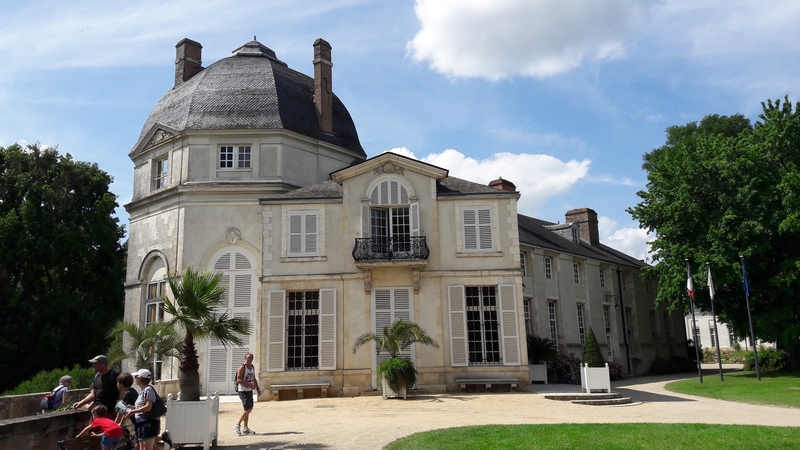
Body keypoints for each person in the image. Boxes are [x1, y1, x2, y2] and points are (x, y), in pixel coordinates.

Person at [122, 369, 160, 450]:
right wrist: (133, 407)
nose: (135, 379)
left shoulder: (148, 390)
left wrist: (133, 411)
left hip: (148, 424)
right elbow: (144, 407)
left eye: (136, 377)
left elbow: (148, 407)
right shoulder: (143, 391)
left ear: (140, 378)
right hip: (142, 424)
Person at [74, 355, 118, 419]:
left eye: (95, 363)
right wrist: (80, 403)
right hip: (96, 412)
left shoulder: (113, 375)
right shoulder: (97, 376)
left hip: (109, 412)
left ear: (103, 364)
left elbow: (121, 392)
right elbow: (93, 393)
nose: (93, 366)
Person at [234, 352, 261, 435]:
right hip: (242, 391)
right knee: (248, 409)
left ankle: (245, 428)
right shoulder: (242, 368)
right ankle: (237, 425)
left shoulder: (252, 367)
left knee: (249, 409)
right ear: (245, 358)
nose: (249, 359)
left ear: (252, 359)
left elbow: (254, 379)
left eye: (251, 358)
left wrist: (257, 388)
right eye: (248, 357)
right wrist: (249, 385)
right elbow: (238, 379)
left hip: (249, 391)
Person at [115, 372, 138, 450]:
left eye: (118, 383)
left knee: (141, 442)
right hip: (139, 420)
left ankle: (163, 437)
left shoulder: (128, 394)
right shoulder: (133, 391)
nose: (117, 384)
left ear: (121, 384)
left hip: (137, 421)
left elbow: (121, 410)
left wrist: (116, 423)